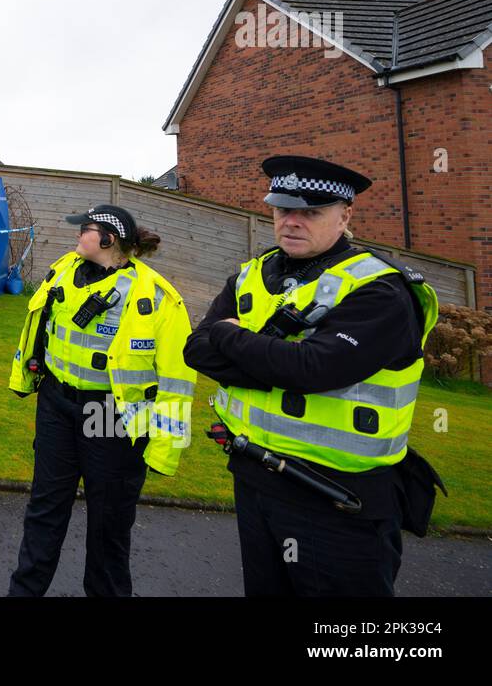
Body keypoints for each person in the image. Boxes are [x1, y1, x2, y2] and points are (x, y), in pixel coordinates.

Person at [184, 155, 441, 596]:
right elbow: (196, 351)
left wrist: (231, 338)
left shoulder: (380, 289)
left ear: (345, 215)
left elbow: (314, 368)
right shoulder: (253, 273)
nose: (292, 222)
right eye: (284, 209)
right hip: (256, 477)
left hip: (337, 498)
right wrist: (275, 360)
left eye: (311, 212)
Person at [7, 204, 196, 596]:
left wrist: (164, 448)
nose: (77, 234)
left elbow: (177, 379)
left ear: (109, 239)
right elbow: (36, 328)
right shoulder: (63, 269)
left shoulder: (158, 297)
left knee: (108, 526)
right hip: (57, 404)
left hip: (111, 418)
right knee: (44, 511)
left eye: (85, 229)